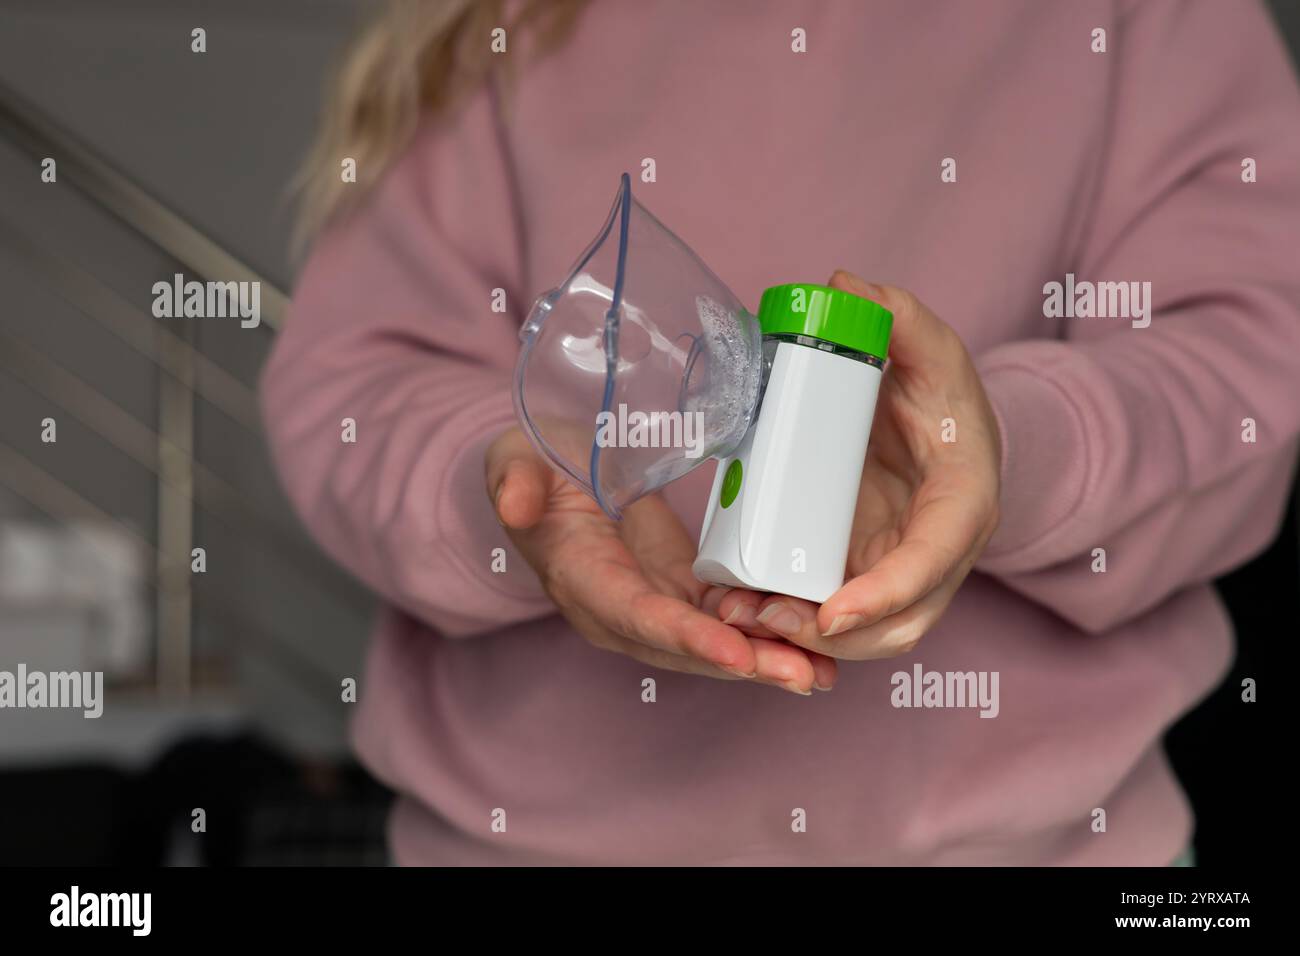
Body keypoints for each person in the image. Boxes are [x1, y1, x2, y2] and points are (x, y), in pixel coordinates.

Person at [262, 0, 1300, 865]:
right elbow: (351, 391)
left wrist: (1002, 453)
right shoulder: (498, 25)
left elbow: (1245, 366)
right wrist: (508, 491)